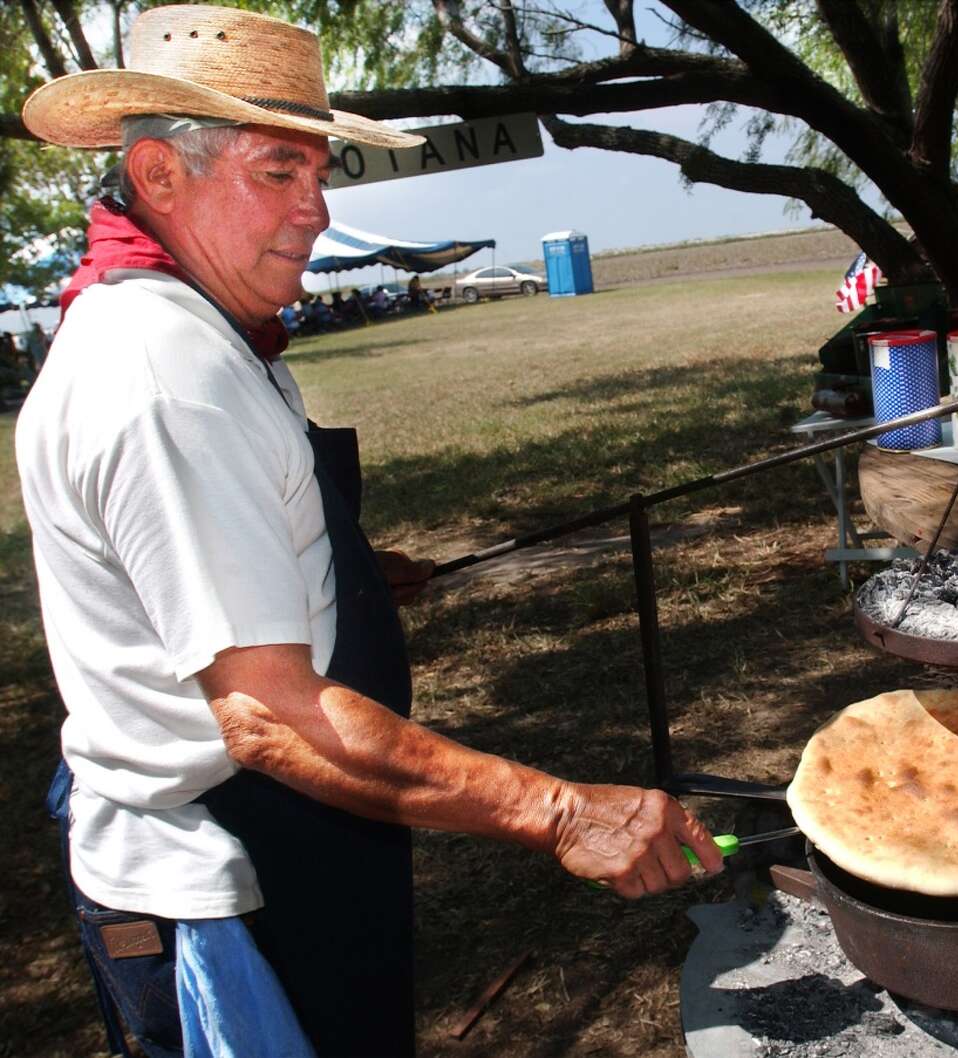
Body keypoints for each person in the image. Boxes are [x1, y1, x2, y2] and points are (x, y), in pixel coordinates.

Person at [17, 7, 721, 1058]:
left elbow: (207, 555)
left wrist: (333, 581)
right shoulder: (164, 373)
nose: (316, 209)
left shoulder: (202, 327)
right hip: (226, 876)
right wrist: (565, 811)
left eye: (319, 170)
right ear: (159, 175)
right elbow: (268, 717)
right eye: (276, 173)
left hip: (287, 845)